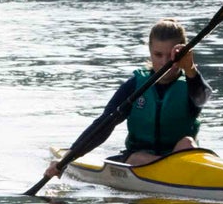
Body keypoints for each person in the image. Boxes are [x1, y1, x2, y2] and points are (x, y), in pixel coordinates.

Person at [45, 18, 212, 177]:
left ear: (182, 54)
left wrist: (190, 68)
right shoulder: (134, 86)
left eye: (170, 56)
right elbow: (105, 124)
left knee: (187, 143)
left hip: (181, 157)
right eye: (158, 55)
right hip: (138, 161)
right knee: (138, 158)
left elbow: (202, 98)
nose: (164, 62)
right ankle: (174, 172)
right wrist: (67, 159)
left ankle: (181, 173)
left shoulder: (191, 84)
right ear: (150, 52)